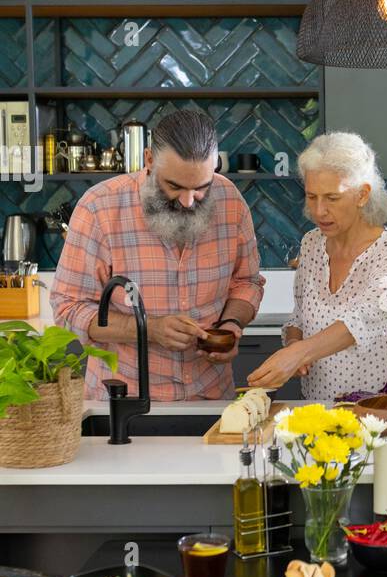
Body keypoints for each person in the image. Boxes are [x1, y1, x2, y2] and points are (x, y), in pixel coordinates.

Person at [51, 108, 264, 400]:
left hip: (212, 399)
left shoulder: (231, 202)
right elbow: (68, 308)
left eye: (202, 187)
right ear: (149, 159)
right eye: (174, 186)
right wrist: (147, 329)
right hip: (124, 403)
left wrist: (231, 324)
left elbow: (247, 283)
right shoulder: (99, 208)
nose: (189, 202)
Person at [247, 131, 387, 401]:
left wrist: (299, 353)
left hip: (384, 413)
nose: (318, 210)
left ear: (362, 195)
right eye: (311, 196)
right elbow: (299, 317)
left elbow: (363, 320)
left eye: (332, 198)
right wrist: (294, 343)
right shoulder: (312, 244)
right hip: (319, 411)